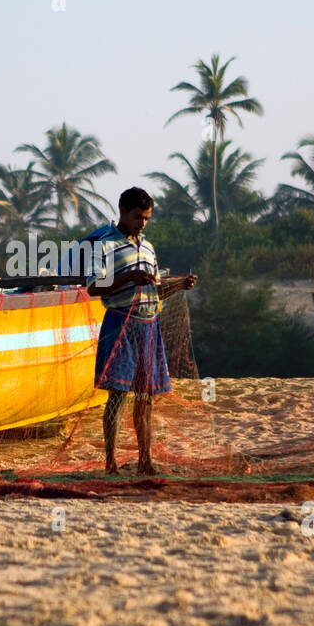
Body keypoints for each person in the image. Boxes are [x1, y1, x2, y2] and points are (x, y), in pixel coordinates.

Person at [84, 187, 197, 475]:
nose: (142, 223)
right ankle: (110, 464)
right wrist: (128, 277)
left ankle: (145, 460)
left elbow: (156, 291)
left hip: (148, 325)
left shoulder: (147, 247)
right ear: (122, 211)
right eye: (138, 217)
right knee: (117, 396)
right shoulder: (104, 245)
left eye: (146, 218)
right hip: (120, 323)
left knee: (145, 397)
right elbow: (94, 286)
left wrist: (179, 285)